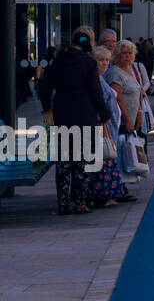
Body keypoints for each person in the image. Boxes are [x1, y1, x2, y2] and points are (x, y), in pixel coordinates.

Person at [37, 26, 110, 215]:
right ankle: (79, 202)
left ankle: (63, 203)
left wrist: (47, 106)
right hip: (84, 115)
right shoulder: (89, 63)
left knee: (63, 163)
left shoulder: (58, 60)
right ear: (89, 43)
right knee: (82, 162)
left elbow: (45, 87)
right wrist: (105, 114)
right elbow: (96, 92)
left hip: (62, 114)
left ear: (73, 41)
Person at [87, 45, 135, 206]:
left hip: (111, 126)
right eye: (100, 60)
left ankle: (107, 194)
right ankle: (102, 196)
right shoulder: (96, 79)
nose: (104, 63)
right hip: (103, 127)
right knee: (104, 161)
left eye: (106, 60)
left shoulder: (101, 78)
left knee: (108, 161)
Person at [107, 41, 146, 165]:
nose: (127, 56)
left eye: (130, 53)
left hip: (134, 118)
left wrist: (139, 113)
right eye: (124, 53)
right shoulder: (115, 72)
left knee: (133, 152)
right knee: (123, 152)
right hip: (122, 121)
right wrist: (128, 120)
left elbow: (137, 92)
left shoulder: (131, 69)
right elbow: (118, 98)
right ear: (117, 55)